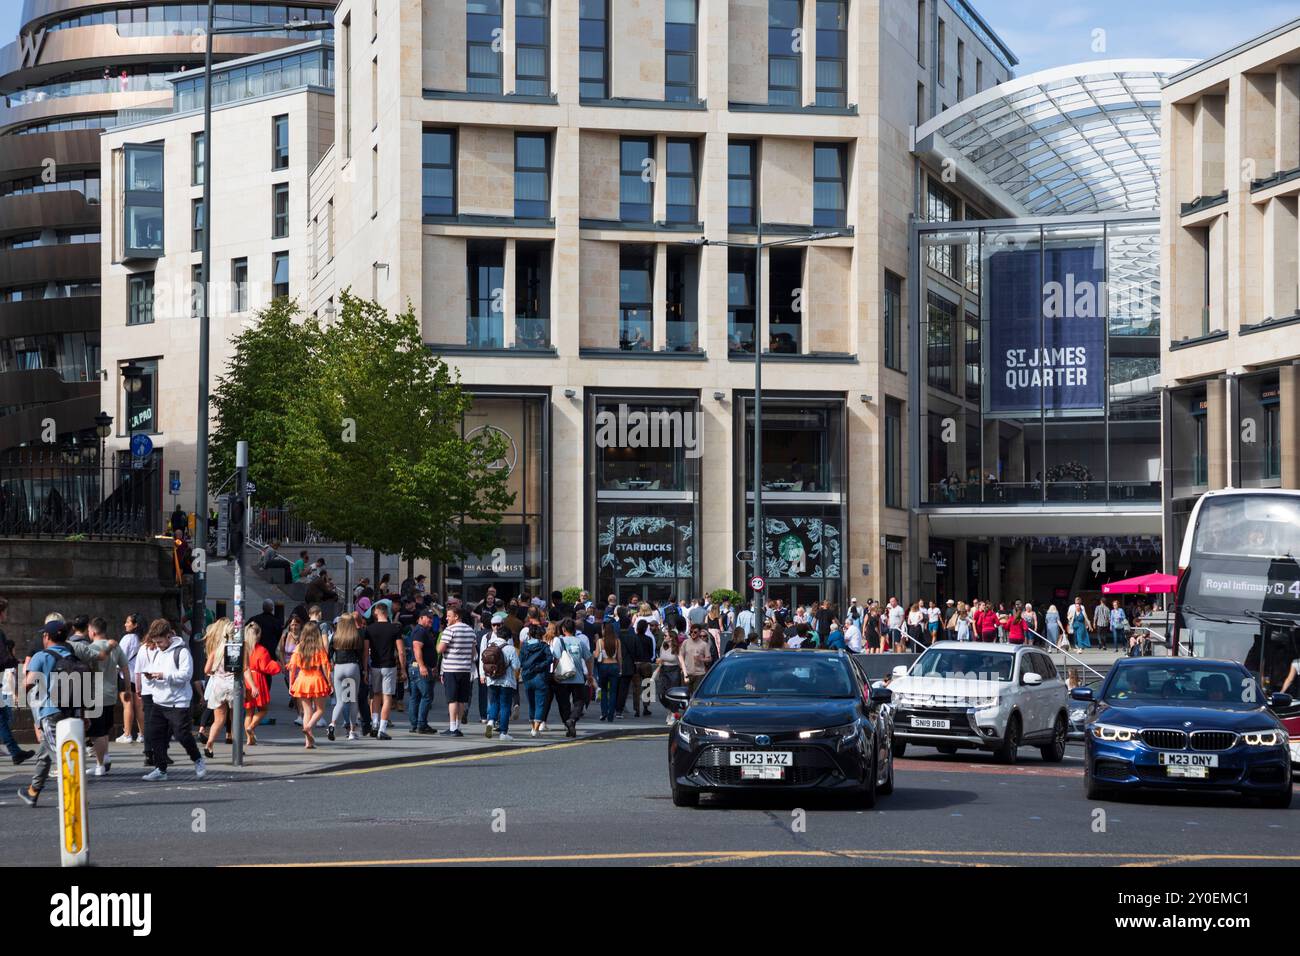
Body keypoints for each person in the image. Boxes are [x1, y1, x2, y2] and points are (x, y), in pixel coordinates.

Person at [139, 619, 207, 782]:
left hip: (178, 702)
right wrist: (150, 677)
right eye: (156, 642)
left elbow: (185, 676)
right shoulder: (156, 652)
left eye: (160, 642)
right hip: (159, 701)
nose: (159, 645)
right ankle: (161, 769)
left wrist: (163, 676)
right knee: (155, 735)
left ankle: (198, 759)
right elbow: (154, 674)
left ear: (169, 636)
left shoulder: (182, 652)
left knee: (182, 735)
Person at [73, 616, 129, 776]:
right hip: (111, 693)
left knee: (96, 733)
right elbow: (125, 669)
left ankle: (99, 765)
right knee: (104, 730)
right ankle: (104, 758)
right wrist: (127, 690)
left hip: (94, 693)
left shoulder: (91, 648)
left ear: (92, 631)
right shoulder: (116, 648)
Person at [362, 600, 404, 740]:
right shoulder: (395, 628)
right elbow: (401, 651)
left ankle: (374, 724)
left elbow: (365, 652)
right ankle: (382, 729)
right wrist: (403, 669)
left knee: (375, 695)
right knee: (387, 698)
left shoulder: (369, 629)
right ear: (387, 612)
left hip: (375, 666)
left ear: (376, 612)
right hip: (389, 666)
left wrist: (365, 670)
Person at [437, 604, 478, 737]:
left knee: (452, 699)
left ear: (456, 616)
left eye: (449, 616)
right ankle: (458, 726)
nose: (446, 619)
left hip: (451, 669)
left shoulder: (449, 630)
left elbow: (440, 649)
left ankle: (452, 727)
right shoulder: (471, 631)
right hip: (465, 669)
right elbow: (473, 654)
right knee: (461, 700)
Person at [289, 621, 331, 748]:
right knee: (320, 709)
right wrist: (330, 682)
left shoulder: (298, 648)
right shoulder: (319, 649)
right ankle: (308, 727)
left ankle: (308, 742)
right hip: (316, 678)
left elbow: (292, 667)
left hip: (302, 679)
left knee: (307, 711)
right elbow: (325, 667)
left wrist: (291, 683)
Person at [550, 618, 593, 738]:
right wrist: (590, 674)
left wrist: (553, 673)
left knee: (563, 703)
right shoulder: (579, 642)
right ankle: (572, 720)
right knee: (579, 701)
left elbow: (556, 658)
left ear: (563, 629)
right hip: (578, 677)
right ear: (574, 630)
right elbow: (589, 658)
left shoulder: (558, 641)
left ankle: (568, 723)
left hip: (562, 678)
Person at [481, 612, 521, 739]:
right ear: (508, 636)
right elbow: (516, 666)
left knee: (494, 703)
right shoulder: (509, 648)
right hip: (506, 681)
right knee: (504, 706)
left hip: (492, 679)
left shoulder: (490, 645)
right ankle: (503, 733)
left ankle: (491, 721)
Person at [241, 621, 281, 745]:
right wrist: (278, 665)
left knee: (248, 712)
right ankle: (251, 727)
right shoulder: (261, 650)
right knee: (263, 709)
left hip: (246, 679)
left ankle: (249, 739)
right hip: (257, 679)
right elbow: (267, 666)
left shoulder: (243, 648)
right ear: (257, 635)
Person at [201, 619, 235, 759]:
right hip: (233, 685)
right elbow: (244, 669)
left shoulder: (217, 650)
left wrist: (216, 673)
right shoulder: (236, 649)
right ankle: (237, 748)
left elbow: (207, 670)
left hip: (218, 685)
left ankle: (210, 743)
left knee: (219, 720)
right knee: (235, 719)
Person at [327, 615, 364, 740]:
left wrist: (332, 663)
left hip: (339, 668)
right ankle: (352, 731)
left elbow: (329, 653)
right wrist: (364, 670)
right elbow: (360, 655)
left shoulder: (336, 636)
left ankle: (332, 724)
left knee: (340, 701)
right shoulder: (355, 636)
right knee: (353, 701)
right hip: (352, 667)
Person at [406, 606, 438, 734]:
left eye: (432, 618)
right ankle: (421, 725)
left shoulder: (422, 630)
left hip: (415, 668)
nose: (431, 620)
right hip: (420, 669)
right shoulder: (420, 631)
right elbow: (416, 648)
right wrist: (422, 666)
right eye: (428, 618)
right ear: (421, 618)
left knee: (415, 697)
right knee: (426, 697)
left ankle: (415, 724)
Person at [519, 621, 553, 737]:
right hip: (540, 676)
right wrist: (540, 666)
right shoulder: (544, 646)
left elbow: (521, 661)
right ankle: (536, 729)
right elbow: (550, 659)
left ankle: (533, 728)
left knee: (531, 703)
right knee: (540, 703)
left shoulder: (524, 646)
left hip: (527, 676)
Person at [116, 612, 145, 743]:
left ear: (135, 625)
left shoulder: (127, 639)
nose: (125, 624)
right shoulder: (142, 640)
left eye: (128, 622)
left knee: (127, 704)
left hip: (125, 675)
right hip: (138, 676)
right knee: (139, 706)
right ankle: (142, 734)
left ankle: (127, 734)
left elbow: (120, 658)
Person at [592, 622, 622, 723]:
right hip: (614, 666)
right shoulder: (617, 641)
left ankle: (604, 712)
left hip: (603, 666)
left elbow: (596, 655)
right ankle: (611, 714)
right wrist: (620, 668)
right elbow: (619, 657)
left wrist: (593, 653)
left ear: (604, 630)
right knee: (613, 692)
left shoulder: (600, 641)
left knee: (604, 690)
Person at [654, 631, 683, 725]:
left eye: (665, 636)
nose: (664, 637)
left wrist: (685, 674)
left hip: (674, 671)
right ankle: (670, 710)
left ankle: (673, 713)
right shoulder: (663, 645)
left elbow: (681, 662)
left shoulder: (677, 648)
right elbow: (660, 659)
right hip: (664, 670)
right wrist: (659, 661)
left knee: (673, 695)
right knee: (661, 694)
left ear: (671, 638)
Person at [680, 626, 712, 696]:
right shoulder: (685, 642)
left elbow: (709, 659)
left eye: (695, 632)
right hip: (687, 673)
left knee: (696, 696)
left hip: (699, 674)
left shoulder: (704, 644)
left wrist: (701, 659)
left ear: (699, 633)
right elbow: (680, 656)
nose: (692, 634)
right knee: (685, 695)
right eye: (691, 632)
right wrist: (682, 668)